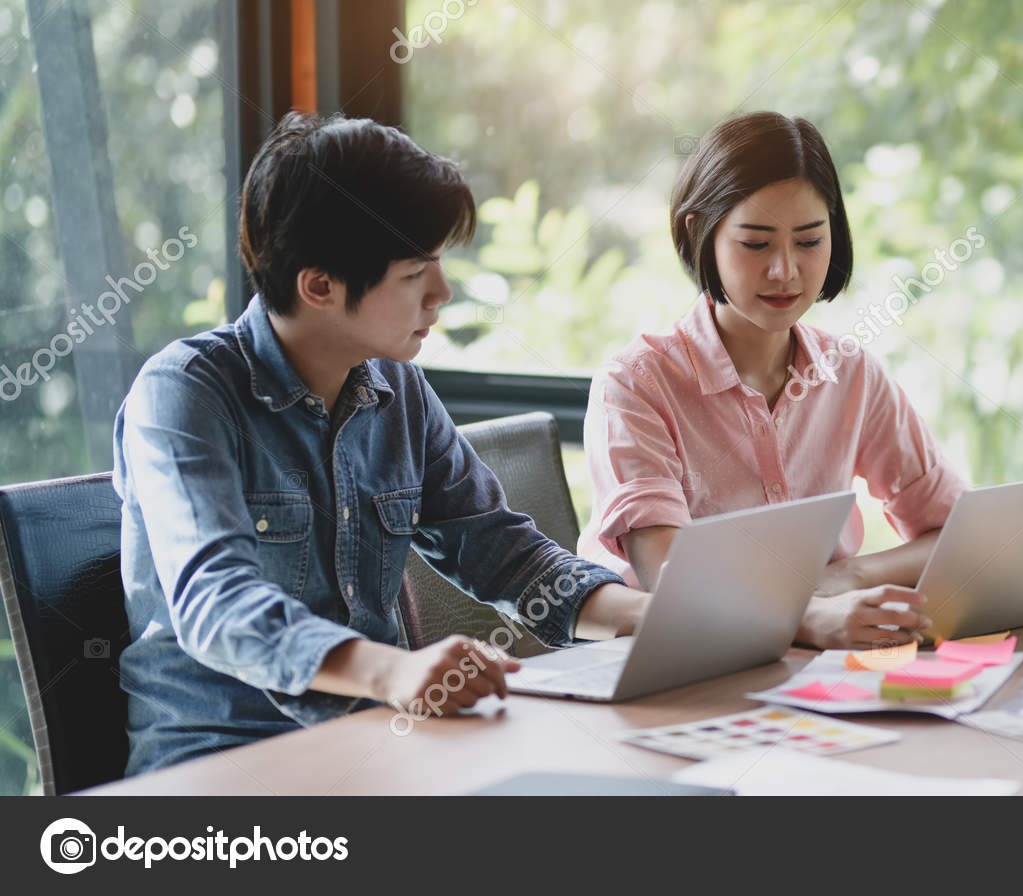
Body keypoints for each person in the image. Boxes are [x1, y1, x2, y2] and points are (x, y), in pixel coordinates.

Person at [114, 112, 648, 774]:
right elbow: (217, 604)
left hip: (377, 749)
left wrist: (655, 621)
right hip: (218, 767)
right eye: (416, 273)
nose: (443, 294)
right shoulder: (185, 393)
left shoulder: (399, 390)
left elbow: (504, 555)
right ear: (320, 286)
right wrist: (393, 672)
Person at [576, 111, 968, 650]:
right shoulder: (636, 385)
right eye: (756, 244)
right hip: (663, 665)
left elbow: (955, 535)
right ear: (701, 233)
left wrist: (847, 577)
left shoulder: (850, 373)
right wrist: (809, 615)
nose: (785, 270)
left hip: (796, 664)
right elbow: (668, 578)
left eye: (809, 242)